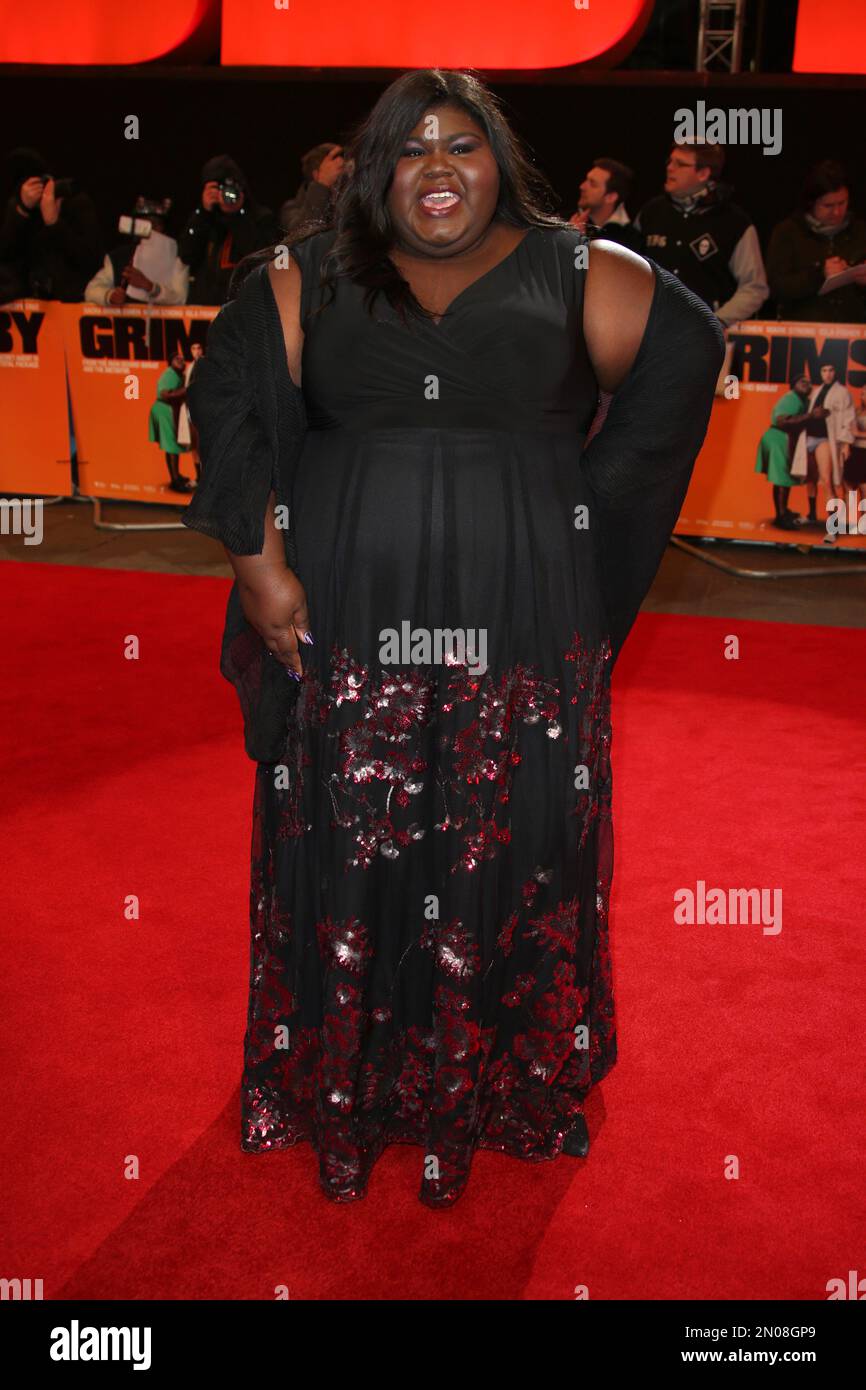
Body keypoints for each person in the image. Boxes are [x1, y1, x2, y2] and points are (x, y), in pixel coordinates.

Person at [182, 68, 724, 1208]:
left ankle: (500, 1082)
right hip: (346, 613)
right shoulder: (308, 272)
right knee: (354, 837)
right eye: (412, 147)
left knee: (514, 838)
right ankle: (357, 1083)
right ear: (377, 168)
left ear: (500, 161)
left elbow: (688, 353)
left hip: (521, 616)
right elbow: (225, 397)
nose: (438, 168)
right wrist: (257, 564)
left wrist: (588, 521)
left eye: (462, 145)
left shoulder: (578, 268)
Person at [634, 141, 768, 326]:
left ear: (703, 173)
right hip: (649, 330)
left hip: (702, 340)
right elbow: (628, 271)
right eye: (669, 161)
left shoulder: (734, 222)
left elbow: (754, 287)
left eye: (680, 164)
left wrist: (715, 321)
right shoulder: (651, 212)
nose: (670, 168)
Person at [766, 160, 866, 323]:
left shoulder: (861, 232)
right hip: (803, 332)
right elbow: (775, 287)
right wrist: (820, 274)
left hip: (853, 332)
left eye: (842, 203)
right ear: (811, 203)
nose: (837, 211)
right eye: (828, 205)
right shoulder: (788, 232)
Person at [0, 145, 103, 303]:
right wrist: (21, 211)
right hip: (26, 302)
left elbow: (90, 259)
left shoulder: (74, 202)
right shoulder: (15, 207)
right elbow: (7, 255)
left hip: (70, 303)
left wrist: (54, 223)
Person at [178, 155, 280, 305]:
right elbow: (186, 255)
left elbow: (263, 259)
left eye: (232, 187)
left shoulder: (261, 218)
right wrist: (203, 212)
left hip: (245, 306)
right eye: (219, 188)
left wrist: (236, 216)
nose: (227, 194)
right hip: (205, 307)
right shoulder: (205, 218)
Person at [788, 363, 856, 536]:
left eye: (831, 370)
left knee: (827, 481)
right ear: (820, 372)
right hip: (808, 437)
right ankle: (811, 515)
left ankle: (833, 527)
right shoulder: (816, 390)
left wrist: (846, 443)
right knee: (809, 479)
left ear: (835, 372)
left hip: (824, 440)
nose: (827, 373)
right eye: (824, 370)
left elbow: (849, 419)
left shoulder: (842, 392)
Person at [85, 195, 189, 306]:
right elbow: (91, 290)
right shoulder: (118, 257)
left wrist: (150, 287)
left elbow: (180, 298)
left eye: (156, 224)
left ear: (164, 229)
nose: (150, 229)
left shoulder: (176, 258)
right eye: (144, 223)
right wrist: (110, 296)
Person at [754, 372, 814, 529]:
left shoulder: (801, 399)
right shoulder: (790, 398)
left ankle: (783, 511)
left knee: (784, 478)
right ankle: (781, 517)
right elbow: (783, 421)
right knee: (782, 479)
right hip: (778, 438)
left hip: (783, 439)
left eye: (809, 382)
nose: (807, 384)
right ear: (794, 385)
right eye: (802, 381)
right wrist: (811, 416)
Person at [148, 350, 196, 494]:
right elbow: (165, 394)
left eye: (182, 358)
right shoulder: (169, 374)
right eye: (177, 359)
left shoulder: (179, 374)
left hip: (171, 410)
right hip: (164, 410)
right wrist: (187, 390)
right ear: (171, 362)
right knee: (171, 444)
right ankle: (174, 480)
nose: (181, 361)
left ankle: (176, 476)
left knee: (174, 443)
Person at [569, 157, 641, 251]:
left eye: (592, 184)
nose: (582, 187)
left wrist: (577, 242)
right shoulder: (563, 221)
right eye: (586, 180)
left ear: (611, 197)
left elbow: (582, 265)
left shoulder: (629, 239)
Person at [279, 143, 346, 236]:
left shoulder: (350, 200)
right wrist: (323, 183)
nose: (345, 179)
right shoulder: (291, 208)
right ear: (316, 175)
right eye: (339, 171)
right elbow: (303, 236)